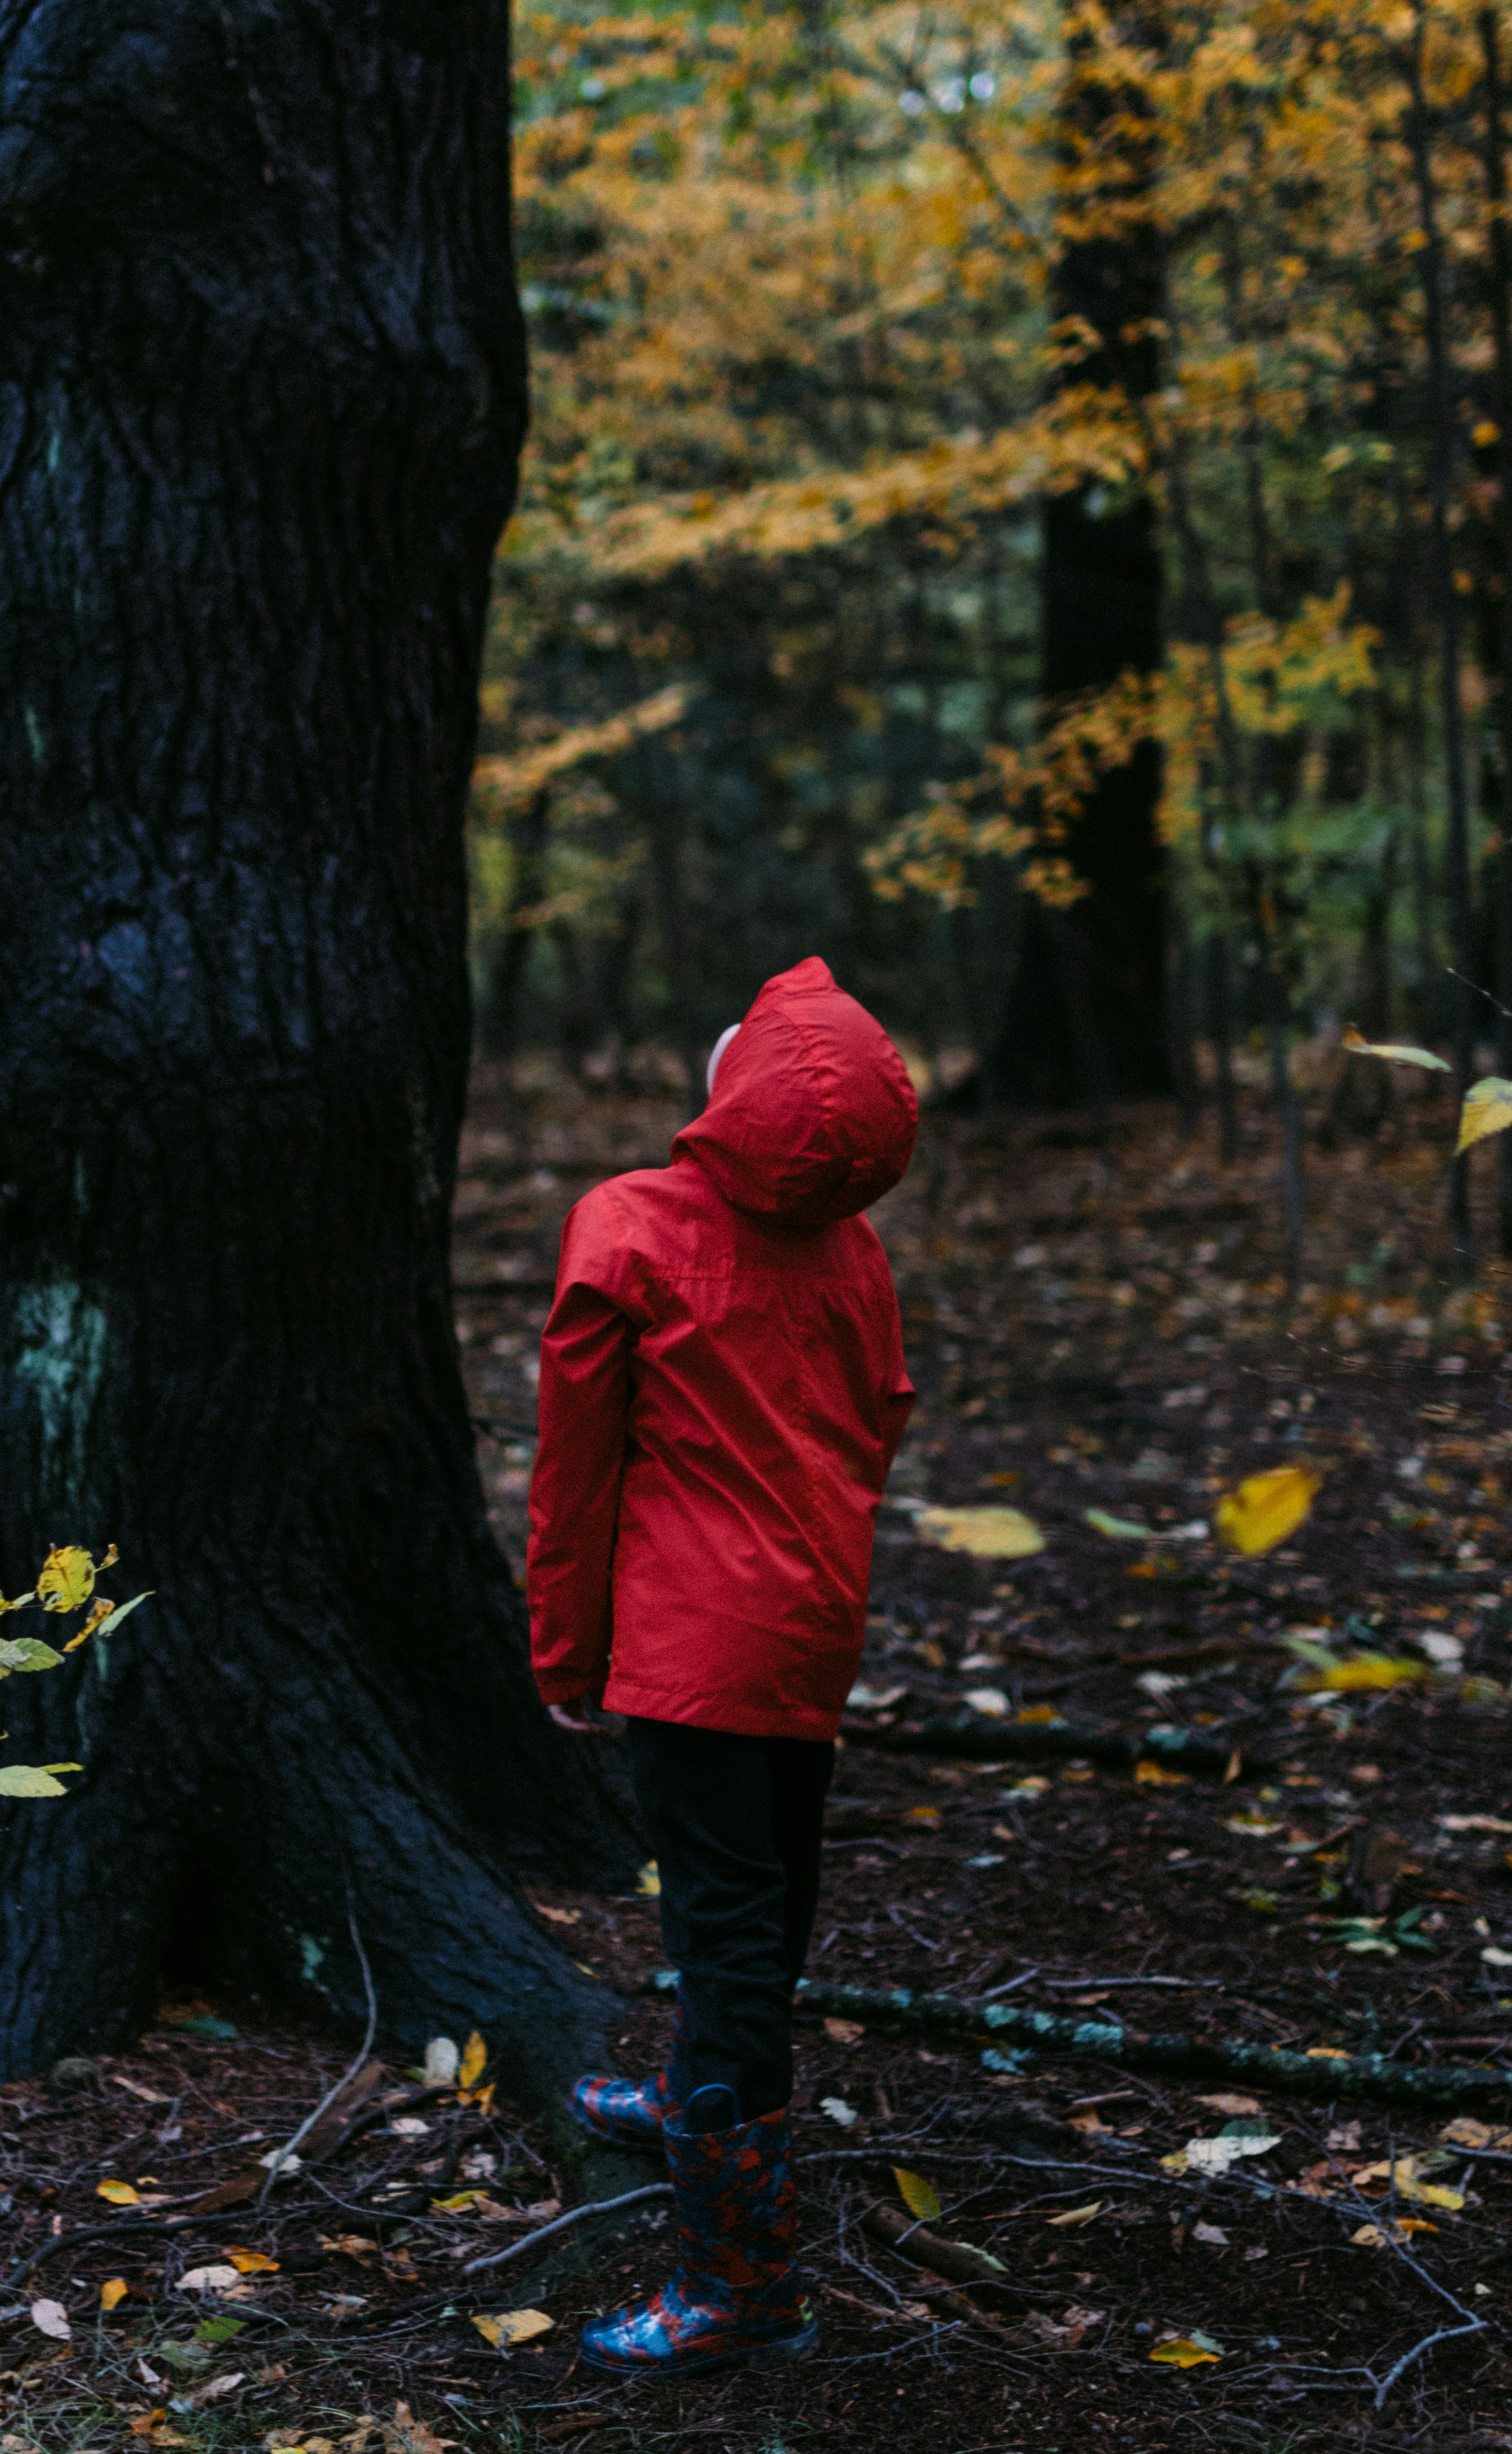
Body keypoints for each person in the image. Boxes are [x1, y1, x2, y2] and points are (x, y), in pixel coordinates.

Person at [527, 955, 918, 2377]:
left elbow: (576, 1468)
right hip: (810, 1622)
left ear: (733, 1092)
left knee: (728, 1928)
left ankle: (743, 2282)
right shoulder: (855, 1250)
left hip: (690, 1643)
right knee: (764, 1901)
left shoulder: (625, 1226)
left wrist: (566, 1649)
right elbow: (878, 1422)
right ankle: (699, 2098)